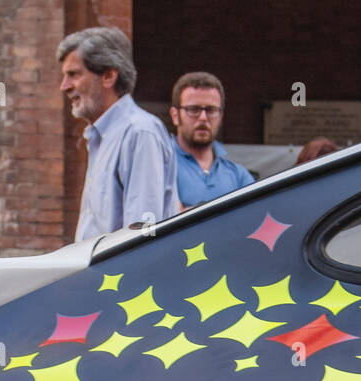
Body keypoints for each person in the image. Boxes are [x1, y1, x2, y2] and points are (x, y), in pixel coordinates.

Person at [57, 27, 176, 242]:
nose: (64, 86)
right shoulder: (102, 136)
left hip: (124, 275)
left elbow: (141, 236)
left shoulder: (139, 133)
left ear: (109, 76)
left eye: (73, 74)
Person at [169, 72, 254, 209]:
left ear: (221, 116)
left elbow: (254, 219)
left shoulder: (238, 175)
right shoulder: (161, 166)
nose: (203, 117)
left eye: (211, 110)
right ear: (175, 116)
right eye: (193, 109)